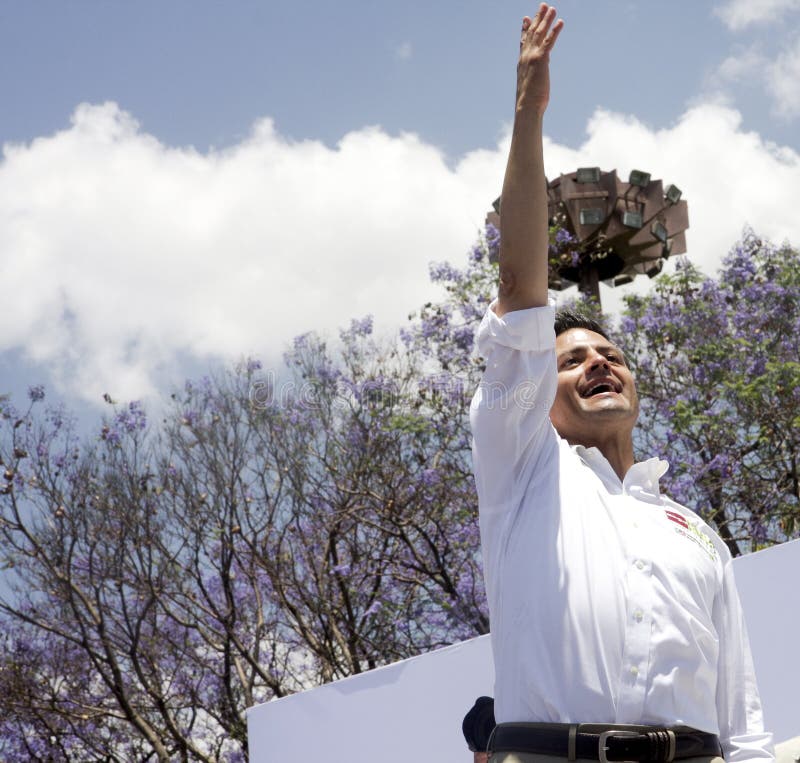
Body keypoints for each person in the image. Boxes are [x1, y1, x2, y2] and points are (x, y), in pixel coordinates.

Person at [468, 4, 774, 763]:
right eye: (570, 359)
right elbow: (520, 292)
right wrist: (528, 116)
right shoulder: (523, 470)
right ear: (539, 390)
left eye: (610, 355)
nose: (598, 363)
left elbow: (743, 719)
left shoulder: (696, 533)